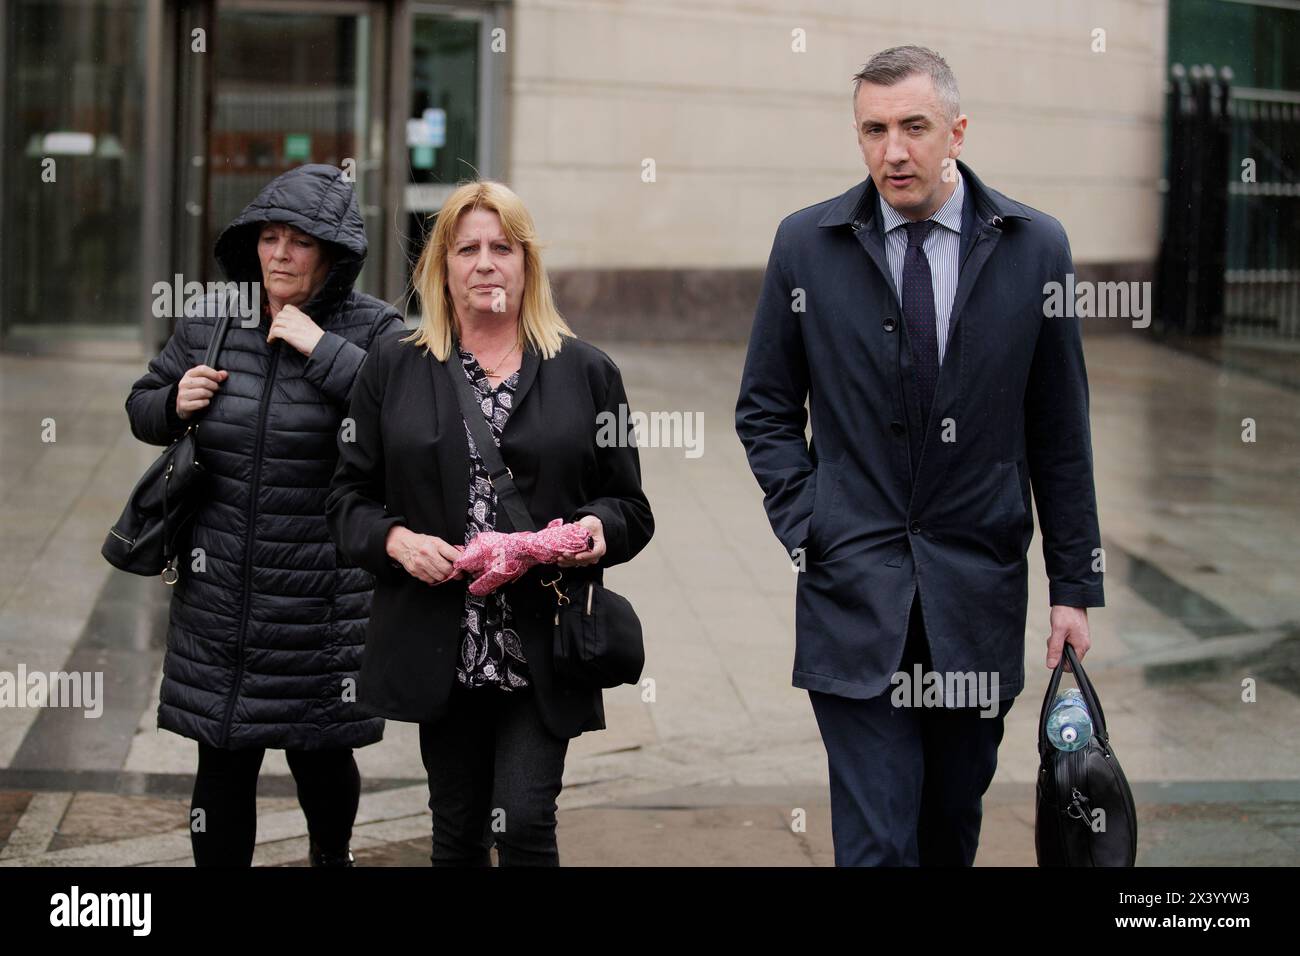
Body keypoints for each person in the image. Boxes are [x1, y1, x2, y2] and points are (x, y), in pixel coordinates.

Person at [734, 46, 1105, 866]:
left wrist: (1073, 587)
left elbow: (1059, 432)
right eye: (873, 129)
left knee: (947, 830)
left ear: (957, 132)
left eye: (913, 127)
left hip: (975, 600)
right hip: (853, 598)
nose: (892, 151)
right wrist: (811, 521)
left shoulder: (1036, 247)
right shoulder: (807, 245)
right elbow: (763, 408)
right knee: (876, 846)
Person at [326, 179, 654, 866]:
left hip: (545, 643)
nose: (484, 263)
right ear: (440, 267)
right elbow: (347, 499)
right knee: (458, 829)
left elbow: (631, 508)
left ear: (526, 263)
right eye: (466, 248)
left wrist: (588, 535)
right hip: (440, 639)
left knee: (527, 821)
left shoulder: (588, 372)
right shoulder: (394, 367)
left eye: (501, 247)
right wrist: (394, 540)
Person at [125, 164, 405, 866]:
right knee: (221, 762)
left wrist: (320, 348)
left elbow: (403, 421)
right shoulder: (213, 318)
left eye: (298, 242)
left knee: (321, 757)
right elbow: (142, 407)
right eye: (268, 238)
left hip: (321, 598)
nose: (278, 255)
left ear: (333, 253)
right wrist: (172, 401)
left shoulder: (375, 329)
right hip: (221, 594)